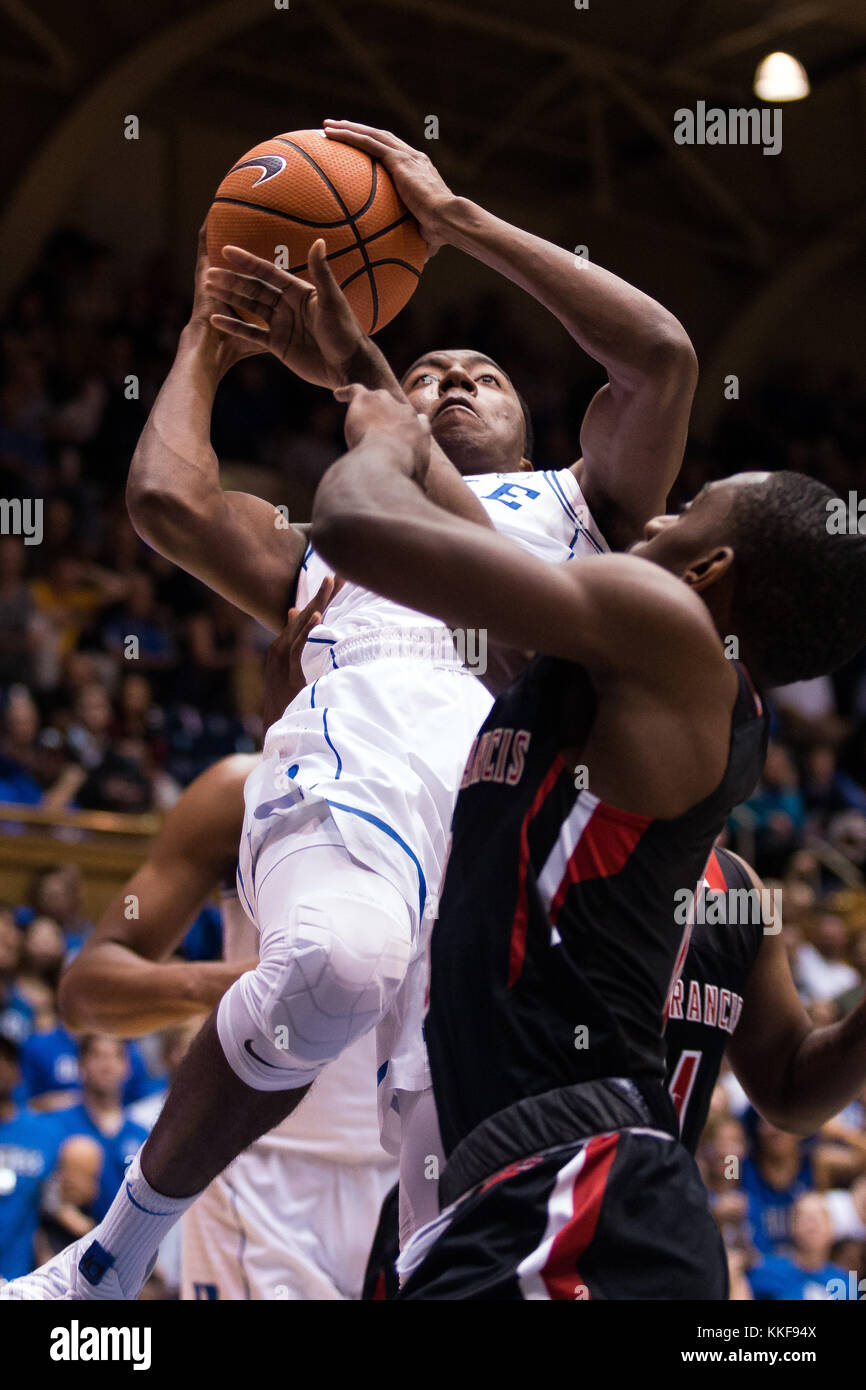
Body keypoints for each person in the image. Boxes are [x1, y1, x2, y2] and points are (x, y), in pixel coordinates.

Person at [0, 124, 702, 1301]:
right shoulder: (336, 537)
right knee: (333, 962)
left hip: (511, 826)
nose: (445, 382)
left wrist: (455, 216)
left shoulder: (581, 508)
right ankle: (106, 1264)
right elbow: (168, 500)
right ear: (365, 409)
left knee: (454, 1177)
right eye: (420, 372)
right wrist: (204, 340)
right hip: (375, 732)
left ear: (532, 424)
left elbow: (662, 357)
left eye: (478, 370)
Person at [302, 385, 864, 1299]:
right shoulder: (619, 677)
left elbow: (353, 524)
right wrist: (356, 368)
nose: (664, 511)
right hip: (531, 1185)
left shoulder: (666, 631)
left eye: (692, 505)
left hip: (576, 1185)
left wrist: (376, 439)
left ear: (709, 572)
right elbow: (476, 549)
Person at [57, 596, 398, 1299]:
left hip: (415, 1170)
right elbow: (86, 989)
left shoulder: (454, 775)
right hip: (260, 1171)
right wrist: (246, 986)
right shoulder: (235, 792)